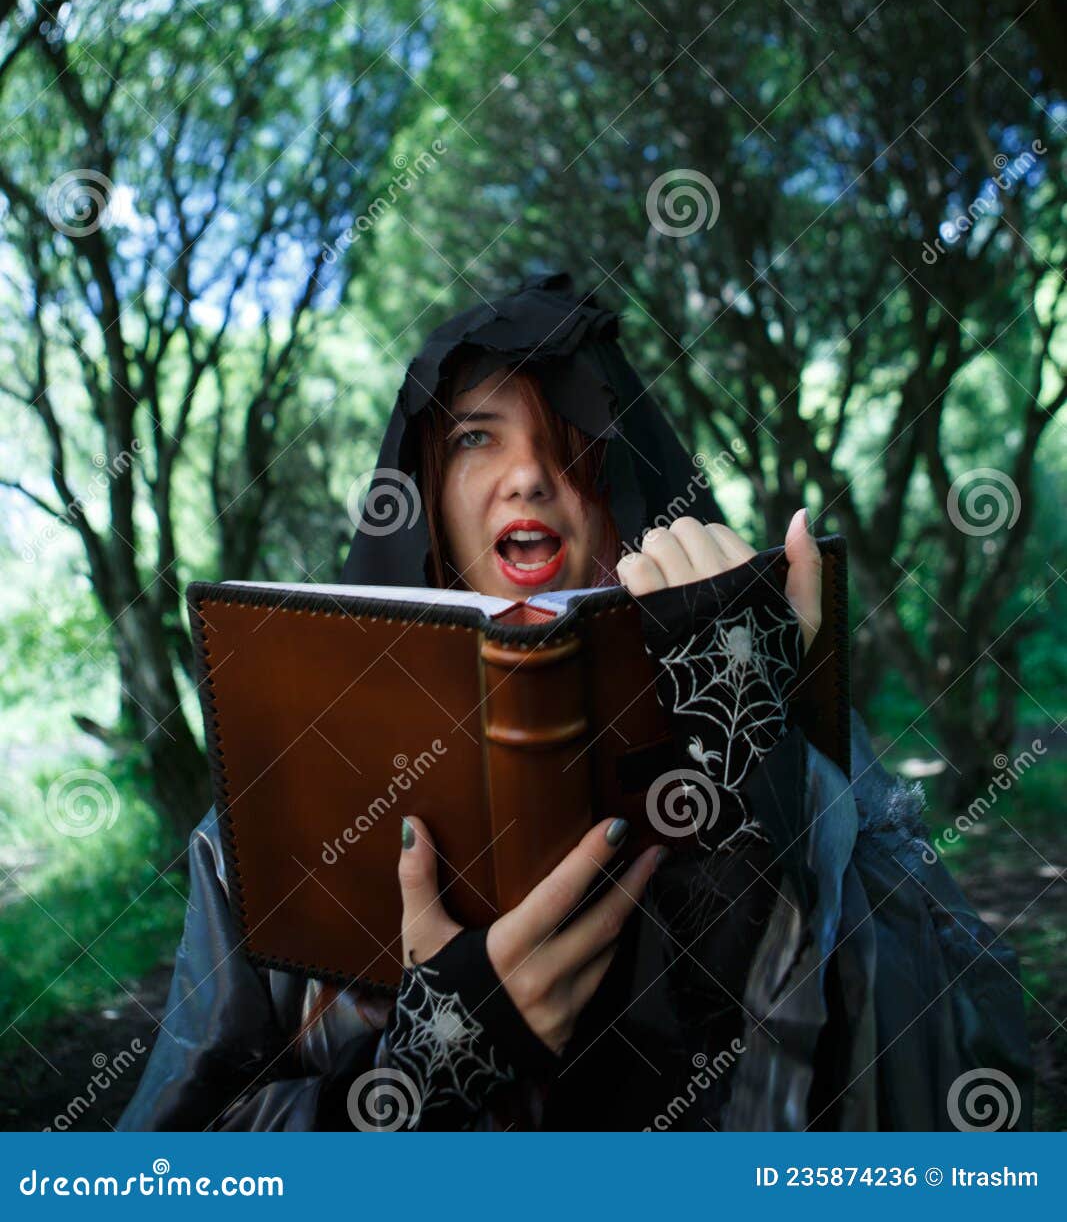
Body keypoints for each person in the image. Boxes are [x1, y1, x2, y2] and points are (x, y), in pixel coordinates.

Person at [114, 271, 1032, 1132]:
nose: (527, 475)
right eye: (475, 437)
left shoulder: (773, 716)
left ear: (628, 493)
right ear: (424, 495)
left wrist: (768, 777)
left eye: (575, 438)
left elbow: (966, 1077)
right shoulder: (275, 806)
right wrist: (433, 1065)